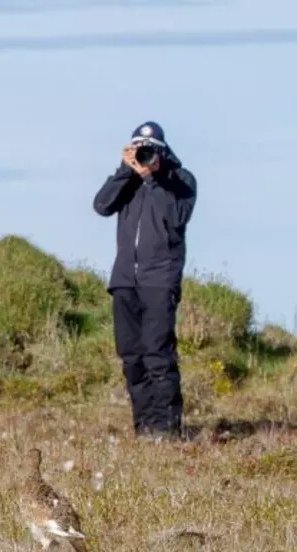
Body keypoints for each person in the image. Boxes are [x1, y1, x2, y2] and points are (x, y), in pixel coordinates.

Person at [93, 121, 197, 441]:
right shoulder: (127, 180)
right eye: (139, 147)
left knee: (157, 353)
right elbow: (101, 205)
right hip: (125, 279)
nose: (146, 154)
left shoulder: (180, 181)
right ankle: (145, 426)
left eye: (151, 149)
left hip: (160, 278)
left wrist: (153, 178)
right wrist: (126, 171)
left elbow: (175, 217)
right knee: (131, 356)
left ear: (164, 151)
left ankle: (167, 429)